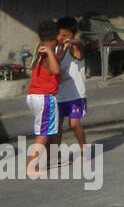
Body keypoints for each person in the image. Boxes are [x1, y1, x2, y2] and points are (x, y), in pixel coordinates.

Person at [24, 20, 62, 177]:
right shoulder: (47, 52)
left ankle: (49, 159)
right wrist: (51, 53)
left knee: (48, 130)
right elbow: (55, 70)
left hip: (34, 95)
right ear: (55, 37)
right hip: (45, 97)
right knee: (44, 132)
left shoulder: (39, 49)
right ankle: (31, 166)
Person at [54, 16, 88, 162]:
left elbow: (80, 44)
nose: (62, 38)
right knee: (56, 127)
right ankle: (56, 152)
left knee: (74, 124)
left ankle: (83, 149)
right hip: (59, 95)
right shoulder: (55, 50)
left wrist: (72, 41)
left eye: (66, 35)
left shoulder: (75, 49)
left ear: (74, 35)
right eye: (60, 35)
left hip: (76, 96)